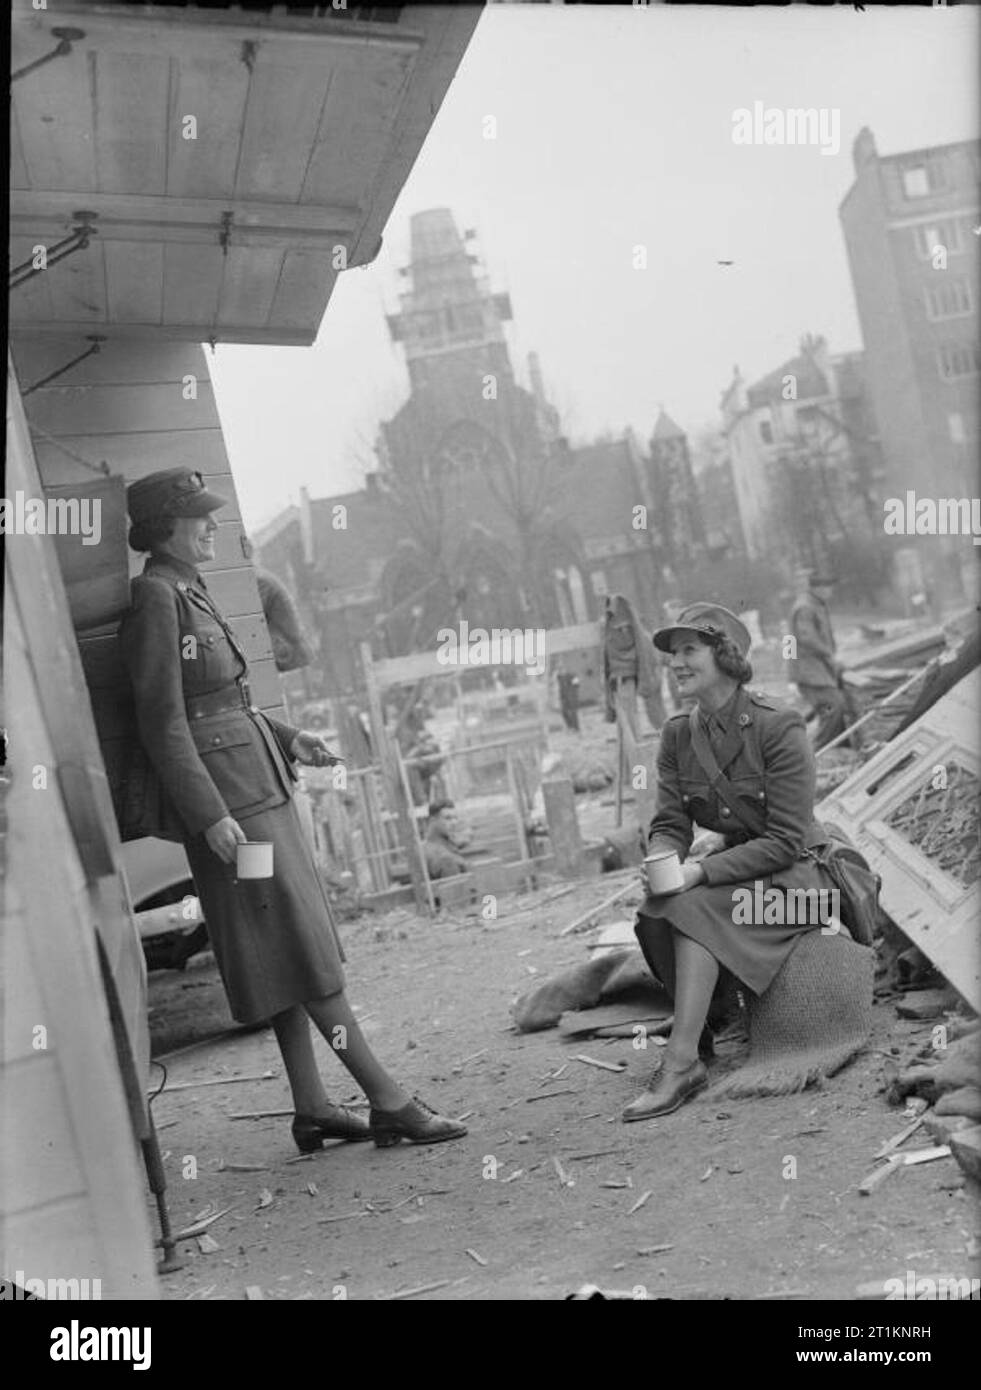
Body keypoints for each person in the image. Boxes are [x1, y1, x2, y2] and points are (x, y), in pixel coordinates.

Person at [118, 468, 466, 1153]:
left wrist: (288, 739)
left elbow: (226, 704)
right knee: (299, 948)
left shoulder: (190, 589)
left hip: (259, 794)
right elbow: (163, 723)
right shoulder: (156, 599)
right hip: (236, 821)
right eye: (198, 518)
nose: (212, 526)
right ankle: (388, 1100)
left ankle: (312, 1107)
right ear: (163, 529)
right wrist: (210, 815)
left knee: (285, 948)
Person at [622, 602, 837, 1122]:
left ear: (725, 654)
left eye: (689, 650)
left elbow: (786, 840)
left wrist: (697, 871)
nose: (676, 662)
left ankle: (680, 1063)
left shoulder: (778, 726)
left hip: (801, 889)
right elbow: (672, 823)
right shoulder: (677, 736)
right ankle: (702, 1034)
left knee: (695, 908)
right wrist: (662, 858)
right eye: (673, 653)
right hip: (740, 876)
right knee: (656, 908)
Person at [788, 571, 852, 750]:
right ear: (817, 588)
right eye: (827, 587)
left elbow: (790, 640)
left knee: (836, 705)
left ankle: (840, 747)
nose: (830, 591)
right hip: (811, 671)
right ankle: (818, 752)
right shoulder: (805, 607)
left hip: (816, 668)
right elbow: (806, 637)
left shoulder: (814, 604)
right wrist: (830, 656)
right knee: (833, 706)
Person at [423, 799, 470, 880]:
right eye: (448, 818)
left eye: (455, 818)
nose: (454, 822)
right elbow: (455, 890)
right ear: (433, 821)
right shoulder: (445, 859)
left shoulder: (428, 847)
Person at [556, 664, 581, 733]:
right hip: (564, 698)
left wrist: (572, 693)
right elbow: (560, 688)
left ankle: (576, 728)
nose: (561, 672)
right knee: (564, 712)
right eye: (559, 671)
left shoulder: (572, 676)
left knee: (573, 713)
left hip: (572, 697)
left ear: (565, 670)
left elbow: (577, 685)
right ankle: (570, 726)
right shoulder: (559, 678)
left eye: (561, 670)